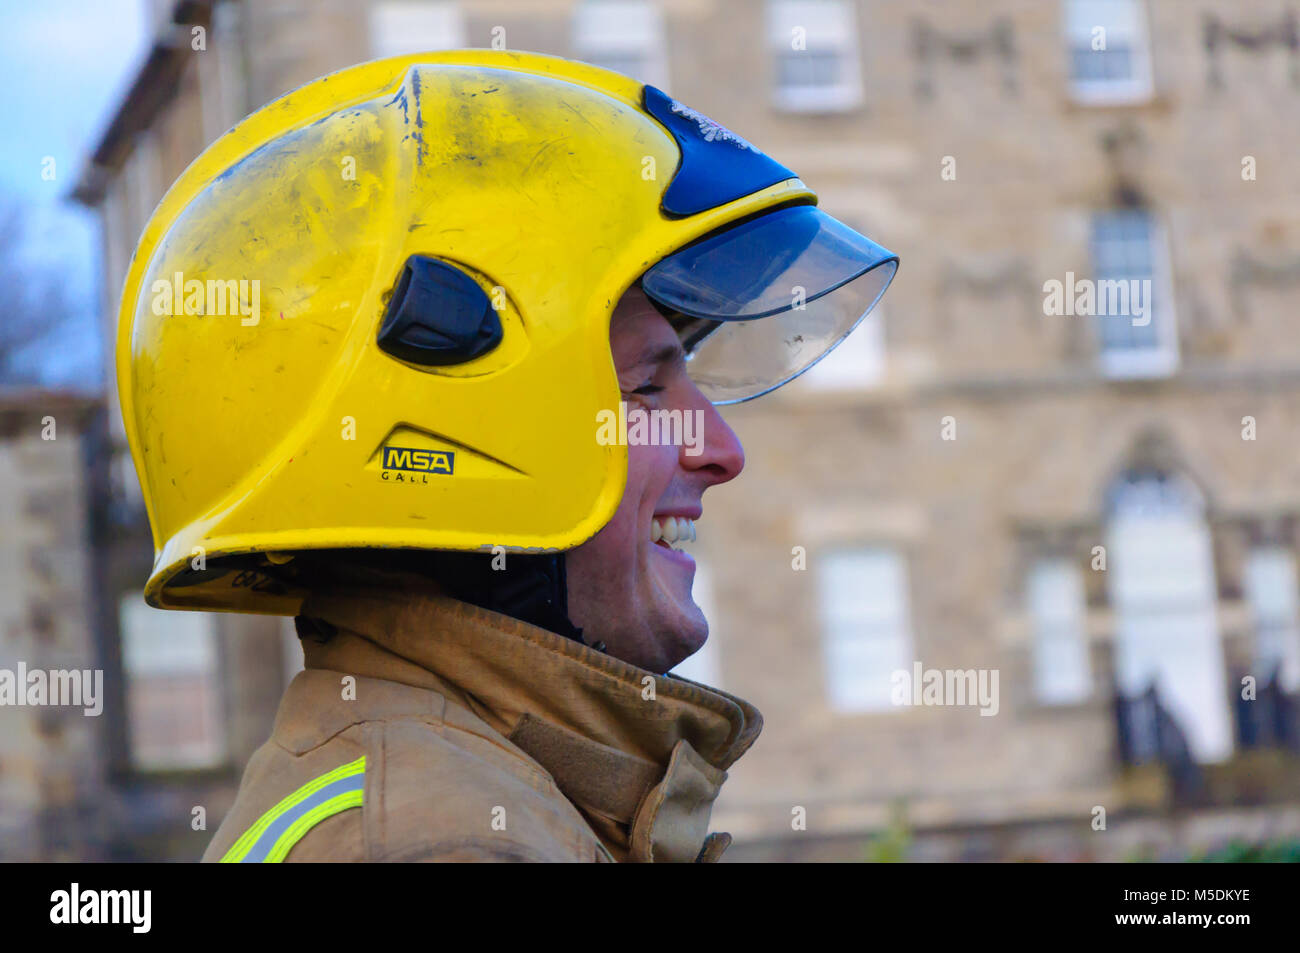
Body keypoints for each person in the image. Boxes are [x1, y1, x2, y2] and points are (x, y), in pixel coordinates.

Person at [115, 50, 897, 862]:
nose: (722, 452)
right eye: (645, 392)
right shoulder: (439, 841)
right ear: (460, 435)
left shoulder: (466, 793)